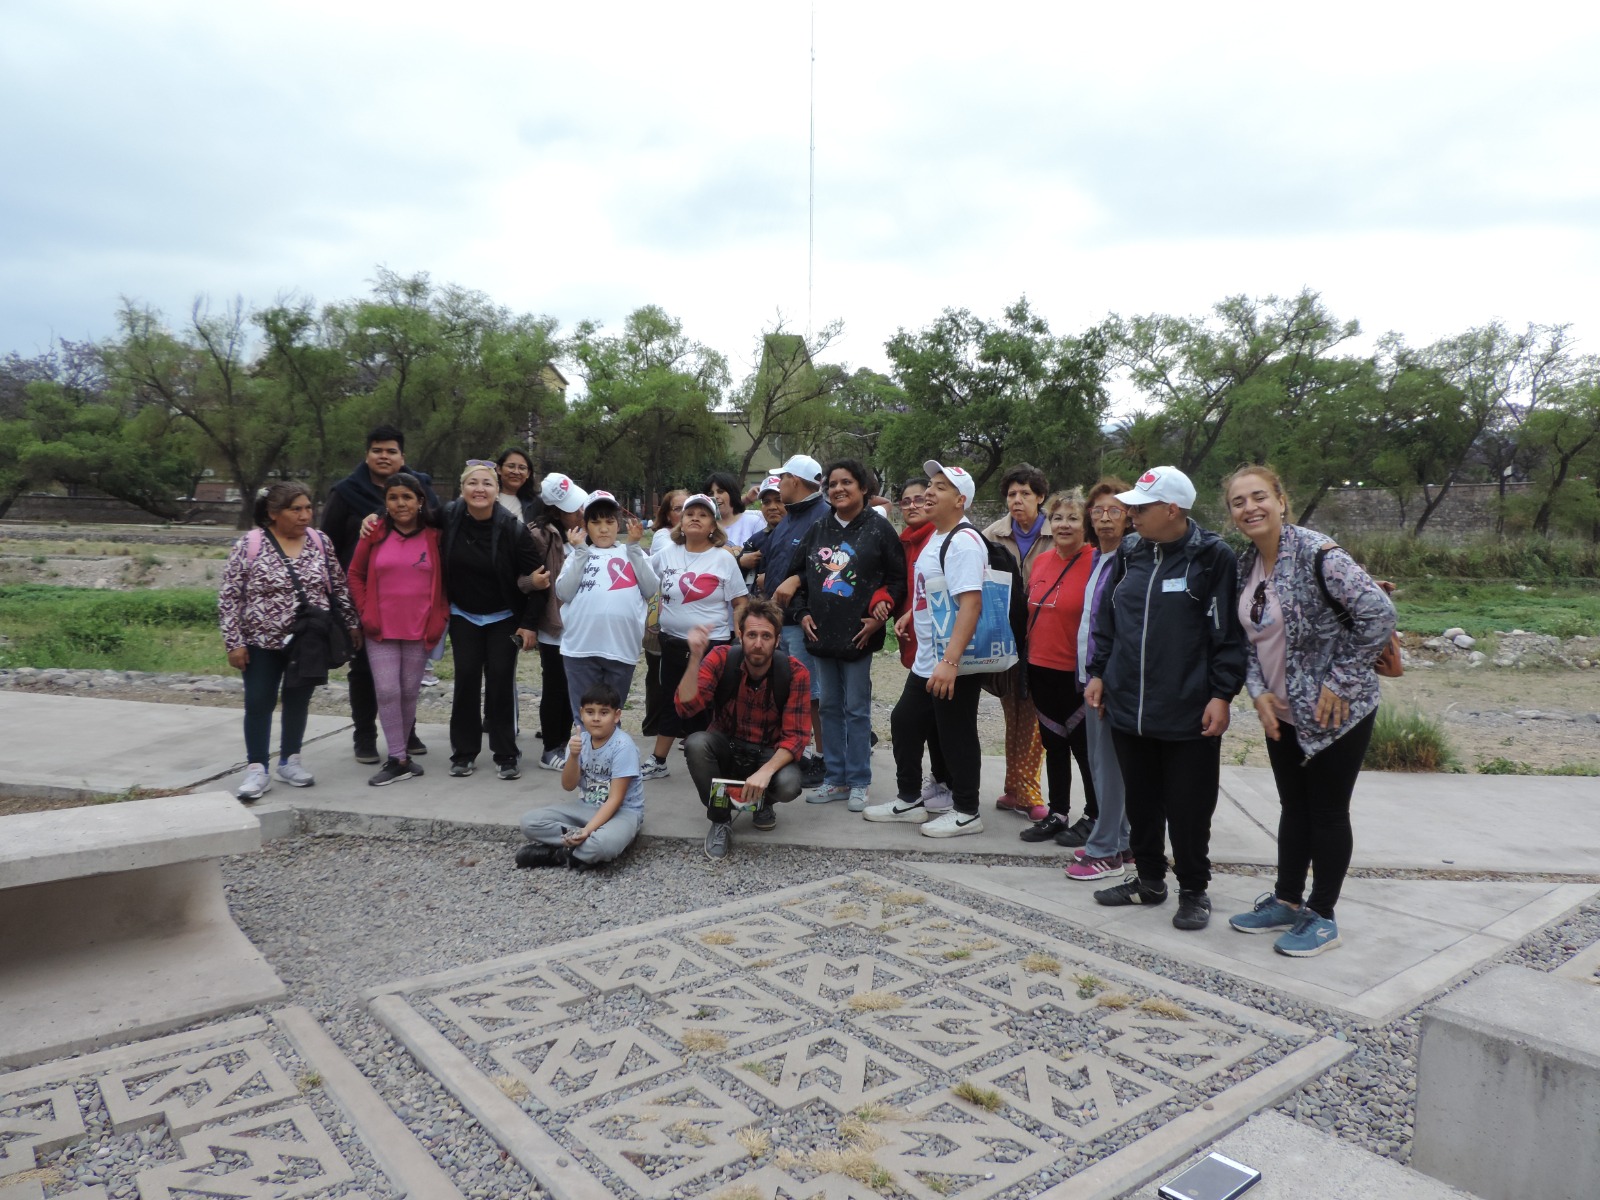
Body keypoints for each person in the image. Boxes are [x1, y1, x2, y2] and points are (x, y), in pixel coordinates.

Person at [1223, 465, 1396, 956]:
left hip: (1337, 712)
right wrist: (1258, 693)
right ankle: (1286, 900)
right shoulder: (1245, 565)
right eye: (1239, 502)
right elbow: (1248, 639)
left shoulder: (1319, 552)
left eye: (1259, 497)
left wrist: (1340, 681)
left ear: (1281, 500)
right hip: (1283, 712)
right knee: (1294, 808)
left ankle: (1322, 914)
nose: (1250, 508)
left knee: (1326, 812)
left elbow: (1378, 614)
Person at [1084, 466, 1246, 931]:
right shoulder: (1131, 552)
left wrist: (1222, 694)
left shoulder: (1211, 557)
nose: (1131, 514)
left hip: (1187, 710)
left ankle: (1193, 890)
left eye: (1140, 507)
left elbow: (1228, 635)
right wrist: (1098, 672)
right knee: (1143, 802)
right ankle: (1149, 881)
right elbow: (1108, 618)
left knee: (1189, 808)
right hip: (1128, 706)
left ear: (1172, 509)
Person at [219, 482, 361, 801]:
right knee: (258, 700)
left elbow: (337, 587)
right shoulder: (250, 544)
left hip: (309, 640)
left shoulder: (319, 541)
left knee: (298, 699)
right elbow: (229, 596)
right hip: (260, 641)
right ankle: (257, 768)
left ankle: (290, 760)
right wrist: (234, 642)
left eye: (308, 508)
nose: (304, 515)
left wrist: (351, 623)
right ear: (273, 514)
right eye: (295, 509)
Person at [792, 459, 906, 812]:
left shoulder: (878, 529)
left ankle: (859, 781)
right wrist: (802, 613)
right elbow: (795, 577)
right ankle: (835, 778)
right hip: (821, 636)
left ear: (863, 488)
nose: (839, 489)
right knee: (828, 707)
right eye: (833, 483)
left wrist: (880, 614)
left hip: (858, 637)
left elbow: (897, 580)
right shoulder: (818, 528)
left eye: (847, 483)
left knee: (856, 709)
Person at [322, 425, 439, 765]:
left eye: (391, 451)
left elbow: (436, 527)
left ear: (402, 457)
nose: (384, 456)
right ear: (367, 455)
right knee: (363, 672)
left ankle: (407, 732)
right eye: (377, 450)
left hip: (413, 603)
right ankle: (365, 735)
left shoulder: (421, 489)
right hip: (361, 599)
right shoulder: (345, 493)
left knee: (407, 680)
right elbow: (328, 546)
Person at [885, 460, 988, 837]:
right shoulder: (937, 537)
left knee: (956, 734)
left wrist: (950, 661)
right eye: (931, 484)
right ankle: (910, 799)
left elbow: (971, 603)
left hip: (951, 660)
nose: (929, 492)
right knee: (905, 722)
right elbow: (938, 589)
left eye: (941, 488)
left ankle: (967, 812)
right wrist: (913, 612)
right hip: (928, 658)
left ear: (961, 500)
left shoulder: (963, 541)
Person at [676, 598, 812, 860]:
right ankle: (720, 819)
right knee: (695, 743)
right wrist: (695, 656)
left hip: (767, 754)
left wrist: (765, 771)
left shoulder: (796, 673)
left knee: (789, 783)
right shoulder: (721, 658)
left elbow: (796, 737)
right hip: (727, 746)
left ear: (777, 639)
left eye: (765, 636)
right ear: (739, 635)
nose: (758, 643)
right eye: (751, 634)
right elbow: (686, 708)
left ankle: (762, 803)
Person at [440, 460, 546, 780]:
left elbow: (539, 580)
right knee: (466, 679)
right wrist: (377, 516)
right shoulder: (449, 517)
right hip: (464, 614)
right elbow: (410, 515)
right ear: (462, 490)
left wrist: (528, 624)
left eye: (487, 483)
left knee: (500, 680)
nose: (480, 489)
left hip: (503, 616)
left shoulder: (513, 529)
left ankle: (506, 753)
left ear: (497, 491)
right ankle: (463, 752)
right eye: (473, 483)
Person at [347, 473, 448, 786]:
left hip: (420, 628)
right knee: (388, 691)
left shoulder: (436, 535)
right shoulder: (374, 532)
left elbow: (447, 580)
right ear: (386, 503)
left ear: (420, 501)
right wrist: (365, 612)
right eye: (393, 498)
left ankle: (402, 755)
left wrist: (441, 616)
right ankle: (397, 758)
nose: (400, 503)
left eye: (407, 497)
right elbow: (355, 574)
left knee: (408, 693)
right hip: (381, 628)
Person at [864, 476, 954, 823]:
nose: (913, 505)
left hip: (945, 650)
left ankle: (951, 792)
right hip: (916, 647)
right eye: (907, 500)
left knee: (935, 722)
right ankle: (929, 788)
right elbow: (890, 582)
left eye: (920, 499)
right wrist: (885, 601)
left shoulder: (943, 540)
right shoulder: (902, 543)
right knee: (924, 721)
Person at [645, 493, 749, 779]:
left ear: (713, 525)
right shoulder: (666, 554)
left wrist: (739, 634)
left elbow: (740, 602)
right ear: (680, 520)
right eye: (690, 512)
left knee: (710, 706)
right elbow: (643, 579)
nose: (694, 518)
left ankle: (713, 761)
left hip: (712, 645)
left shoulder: (723, 559)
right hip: (672, 642)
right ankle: (658, 761)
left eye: (703, 515)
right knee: (670, 701)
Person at [1017, 490, 1098, 846]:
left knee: (1084, 748)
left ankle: (1095, 815)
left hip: (1077, 675)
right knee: (1053, 743)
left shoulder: (1098, 561)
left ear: (1087, 524)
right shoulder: (1043, 560)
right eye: (1058, 518)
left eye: (1073, 518)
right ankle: (1058, 812)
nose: (1064, 524)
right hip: (1040, 668)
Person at [1064, 478, 1136, 880]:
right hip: (1089, 676)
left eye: (1114, 511)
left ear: (1129, 517)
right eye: (1098, 511)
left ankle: (1105, 849)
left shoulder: (1128, 560)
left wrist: (1105, 676)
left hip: (1108, 681)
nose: (1105, 518)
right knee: (1102, 761)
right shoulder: (1099, 558)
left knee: (1107, 766)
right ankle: (1122, 843)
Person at [514, 682, 644, 870]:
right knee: (529, 822)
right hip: (586, 806)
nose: (596, 718)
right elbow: (568, 785)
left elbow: (615, 800)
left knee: (604, 845)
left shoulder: (624, 746)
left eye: (604, 712)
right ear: (582, 713)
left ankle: (557, 854)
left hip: (623, 812)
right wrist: (574, 756)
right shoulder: (578, 741)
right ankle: (581, 851)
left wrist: (587, 830)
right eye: (590, 712)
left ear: (617, 716)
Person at [984, 463, 1052, 818]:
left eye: (1025, 493)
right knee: (1013, 714)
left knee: (1037, 718)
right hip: (1006, 637)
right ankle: (1013, 789)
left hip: (1045, 638)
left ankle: (1029, 792)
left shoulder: (1059, 532)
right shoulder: (992, 535)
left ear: (1040, 497)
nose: (1017, 500)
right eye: (1012, 493)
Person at [554, 490, 658, 713]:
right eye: (596, 522)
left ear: (618, 523)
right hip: (580, 649)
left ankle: (611, 749)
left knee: (611, 714)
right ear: (586, 525)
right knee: (585, 715)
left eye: (609, 521)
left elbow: (650, 589)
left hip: (621, 648)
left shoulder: (632, 552)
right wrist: (580, 551)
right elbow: (564, 593)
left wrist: (633, 548)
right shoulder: (577, 554)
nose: (603, 528)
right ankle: (585, 749)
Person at [763, 453, 831, 787]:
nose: (777, 484)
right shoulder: (791, 517)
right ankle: (802, 751)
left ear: (794, 481)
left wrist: (799, 579)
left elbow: (832, 566)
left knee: (813, 693)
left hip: (805, 620)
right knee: (795, 691)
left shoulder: (823, 516)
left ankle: (823, 757)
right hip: (781, 620)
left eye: (782, 478)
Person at [523, 472, 588, 771]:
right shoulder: (540, 535)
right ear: (555, 510)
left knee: (573, 686)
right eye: (573, 508)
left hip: (580, 625)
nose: (580, 511)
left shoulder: (579, 531)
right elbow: (523, 578)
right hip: (555, 625)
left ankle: (565, 742)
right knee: (555, 686)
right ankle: (551, 748)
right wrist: (531, 584)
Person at [641, 489, 687, 758]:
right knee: (660, 678)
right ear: (667, 514)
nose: (683, 514)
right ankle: (653, 727)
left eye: (688, 508)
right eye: (678, 509)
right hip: (660, 617)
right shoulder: (662, 537)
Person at [737, 475, 785, 588]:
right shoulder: (755, 540)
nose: (772, 507)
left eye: (778, 500)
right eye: (766, 502)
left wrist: (770, 580)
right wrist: (740, 563)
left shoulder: (802, 534)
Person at [706, 471, 767, 553]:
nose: (715, 496)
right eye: (710, 493)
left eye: (720, 491)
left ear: (732, 493)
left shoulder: (754, 522)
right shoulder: (704, 526)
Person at [495, 447, 540, 521]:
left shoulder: (536, 504)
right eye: (511, 466)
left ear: (528, 473)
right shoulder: (487, 498)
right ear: (499, 469)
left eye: (522, 468)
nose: (516, 472)